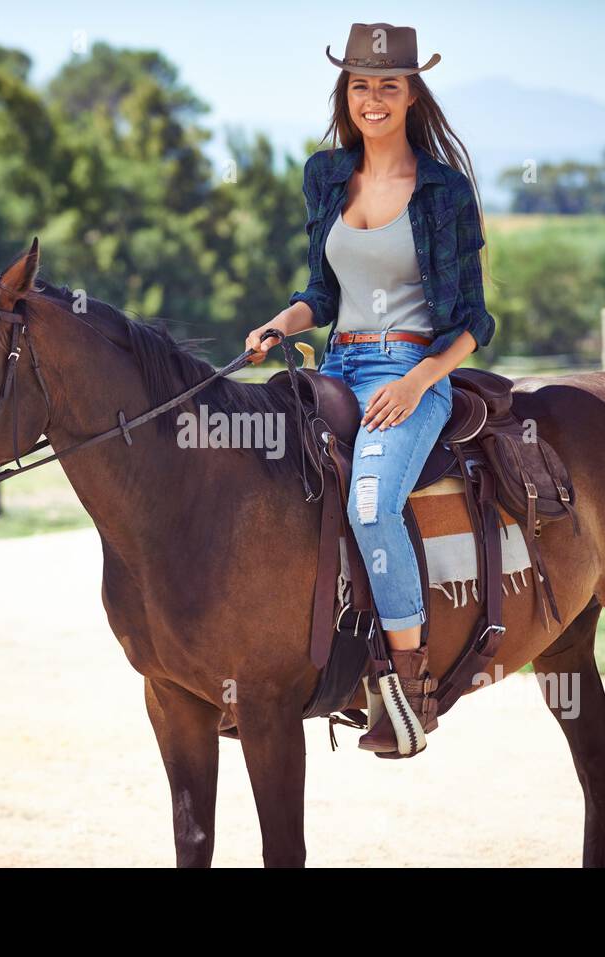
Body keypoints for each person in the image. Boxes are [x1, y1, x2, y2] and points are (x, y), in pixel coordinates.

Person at [245, 22, 495, 755]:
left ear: (412, 92)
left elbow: (476, 320)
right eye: (361, 84)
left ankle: (409, 690)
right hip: (337, 368)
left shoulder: (444, 191)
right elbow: (320, 293)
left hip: (411, 370)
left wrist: (420, 381)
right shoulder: (325, 176)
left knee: (369, 503)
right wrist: (279, 322)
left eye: (389, 84)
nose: (374, 98)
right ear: (345, 93)